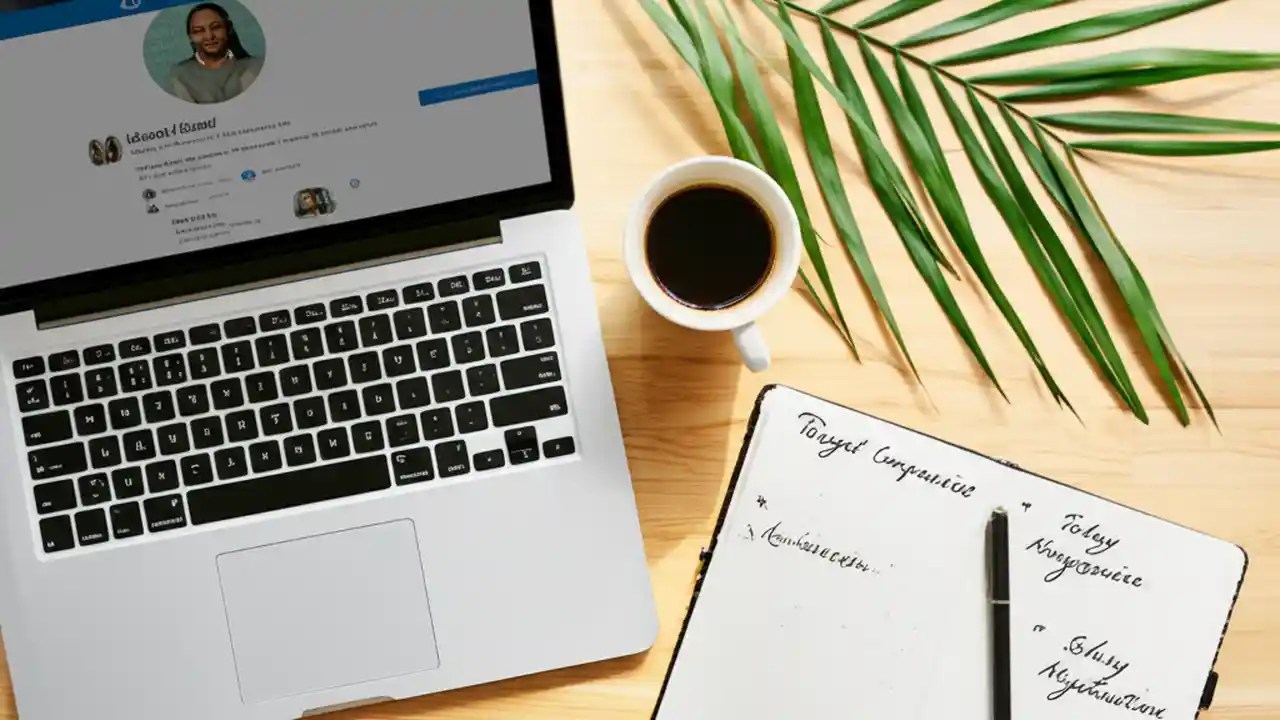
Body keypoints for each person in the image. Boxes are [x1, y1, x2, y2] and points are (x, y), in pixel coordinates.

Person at [168, 3, 263, 104]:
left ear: (228, 28)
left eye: (216, 27)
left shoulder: (254, 67)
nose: (209, 36)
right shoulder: (179, 76)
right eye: (199, 31)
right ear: (190, 37)